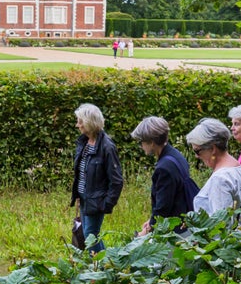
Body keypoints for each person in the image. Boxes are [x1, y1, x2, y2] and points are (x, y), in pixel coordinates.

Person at [130, 116, 199, 236]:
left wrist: (146, 230)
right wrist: (151, 220)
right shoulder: (176, 155)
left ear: (151, 142)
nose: (141, 145)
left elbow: (163, 207)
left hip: (175, 231)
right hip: (186, 221)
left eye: (141, 141)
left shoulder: (164, 168)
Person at [69, 103, 124, 252]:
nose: (77, 125)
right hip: (85, 199)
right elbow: (82, 173)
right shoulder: (84, 142)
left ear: (89, 122)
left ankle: (104, 267)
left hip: (97, 202)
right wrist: (78, 196)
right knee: (90, 236)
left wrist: (107, 204)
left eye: (80, 121)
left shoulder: (107, 147)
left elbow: (117, 180)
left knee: (90, 237)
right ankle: (106, 264)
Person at [185, 118, 241, 232]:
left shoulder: (220, 179)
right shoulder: (239, 169)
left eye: (197, 151)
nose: (196, 156)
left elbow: (221, 227)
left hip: (224, 247)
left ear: (213, 149)